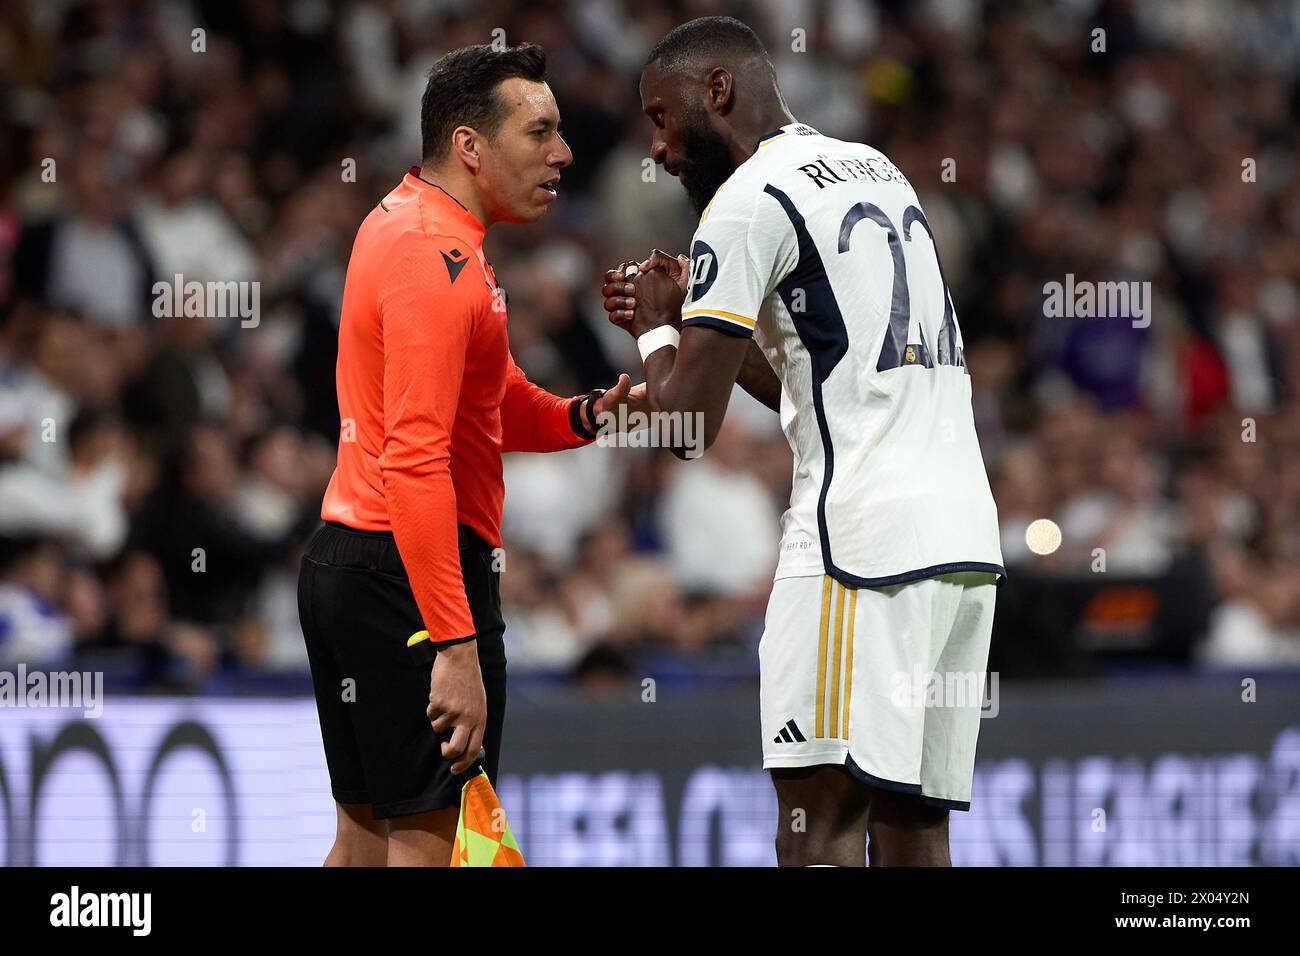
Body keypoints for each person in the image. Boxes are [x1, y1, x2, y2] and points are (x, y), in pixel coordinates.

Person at [602, 16, 1005, 866]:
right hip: (962, 542)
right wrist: (692, 319)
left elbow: (683, 424)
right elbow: (817, 376)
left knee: (815, 828)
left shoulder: (744, 204)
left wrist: (650, 332)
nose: (660, 148)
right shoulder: (874, 168)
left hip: (855, 547)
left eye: (662, 116)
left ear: (717, 91)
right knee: (915, 830)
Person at [301, 42, 641, 867]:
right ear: (470, 145)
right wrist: (454, 647)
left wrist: (589, 414)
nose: (562, 154)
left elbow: (486, 408)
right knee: (440, 844)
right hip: (409, 583)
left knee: (360, 840)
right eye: (540, 132)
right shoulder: (435, 259)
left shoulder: (407, 222)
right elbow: (415, 463)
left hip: (350, 562)